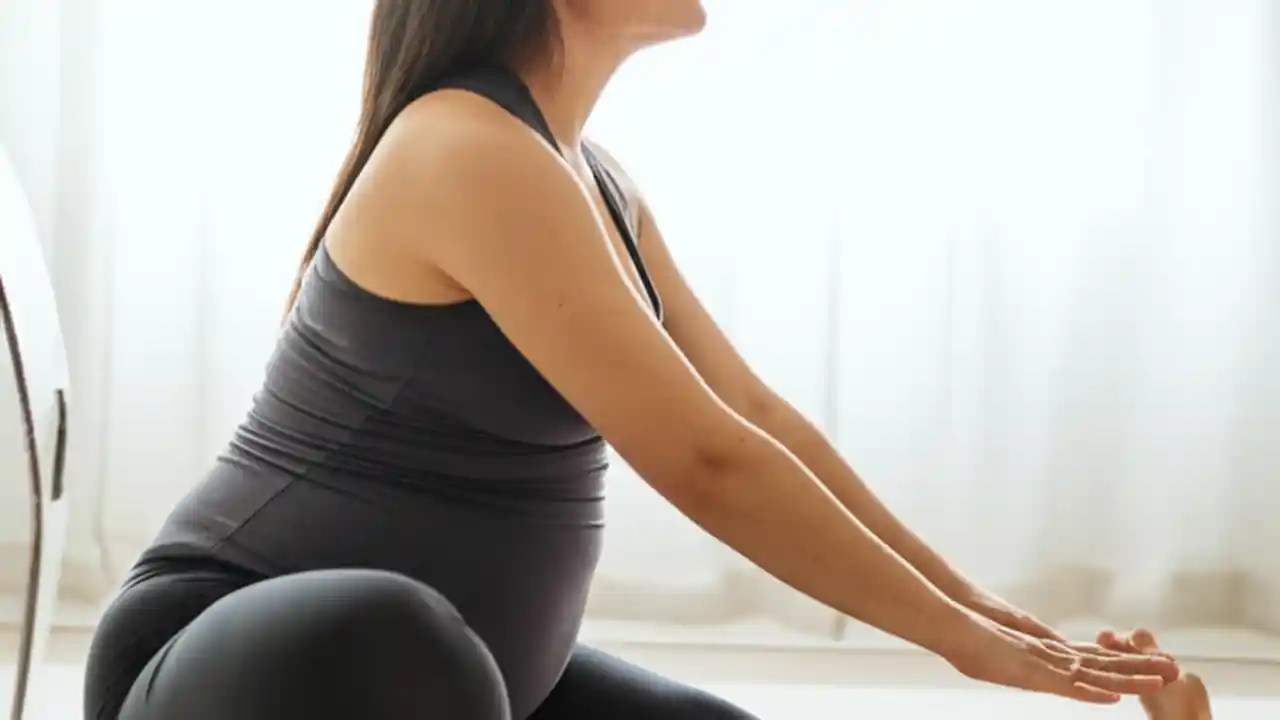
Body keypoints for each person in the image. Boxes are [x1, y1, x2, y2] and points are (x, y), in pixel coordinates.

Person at [81, 2, 1212, 718]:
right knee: (396, 635)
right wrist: (963, 648)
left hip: (478, 683)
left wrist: (1001, 619)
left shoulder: (591, 177)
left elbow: (755, 420)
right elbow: (707, 461)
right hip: (240, 672)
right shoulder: (462, 147)